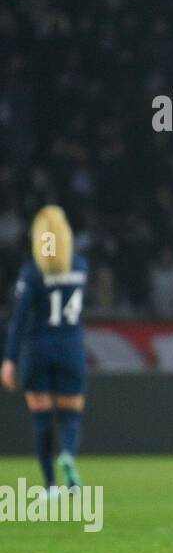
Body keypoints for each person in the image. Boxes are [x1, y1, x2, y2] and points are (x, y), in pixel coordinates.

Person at [2, 206, 89, 493]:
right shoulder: (80, 267)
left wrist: (10, 359)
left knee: (42, 419)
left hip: (37, 349)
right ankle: (67, 454)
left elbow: (19, 320)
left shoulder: (32, 274)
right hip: (71, 347)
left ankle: (51, 484)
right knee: (71, 414)